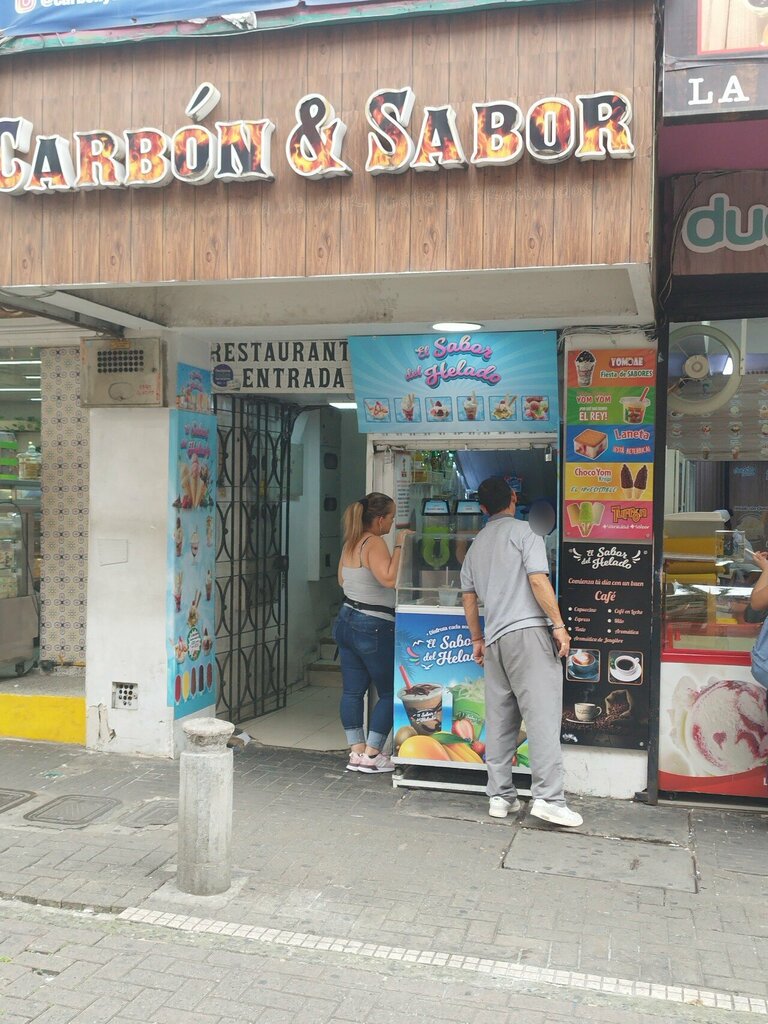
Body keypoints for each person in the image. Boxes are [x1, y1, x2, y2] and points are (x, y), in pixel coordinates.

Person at [460, 476, 583, 828]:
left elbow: (468, 597)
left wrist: (477, 639)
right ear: (514, 498)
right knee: (541, 716)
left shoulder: (476, 545)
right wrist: (558, 624)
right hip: (527, 633)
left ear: (482, 508)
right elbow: (538, 580)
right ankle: (549, 798)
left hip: (495, 639)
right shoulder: (526, 533)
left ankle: (500, 796)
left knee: (500, 720)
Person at [334, 492, 409, 774]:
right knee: (391, 691)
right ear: (379, 519)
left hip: (346, 619)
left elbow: (342, 579)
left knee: (353, 692)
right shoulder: (374, 542)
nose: (392, 523)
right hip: (373, 624)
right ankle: (373, 754)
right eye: (391, 517)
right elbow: (389, 579)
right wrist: (400, 545)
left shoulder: (350, 541)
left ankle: (356, 752)